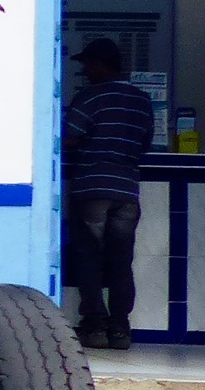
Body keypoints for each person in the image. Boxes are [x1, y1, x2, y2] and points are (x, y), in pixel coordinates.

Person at [63, 37, 156, 350]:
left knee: (89, 257)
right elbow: (145, 144)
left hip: (92, 188)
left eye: (88, 64)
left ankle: (95, 326)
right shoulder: (142, 101)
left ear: (101, 64)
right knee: (120, 261)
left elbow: (69, 138)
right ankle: (120, 329)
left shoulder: (90, 98)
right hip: (127, 192)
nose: (86, 71)